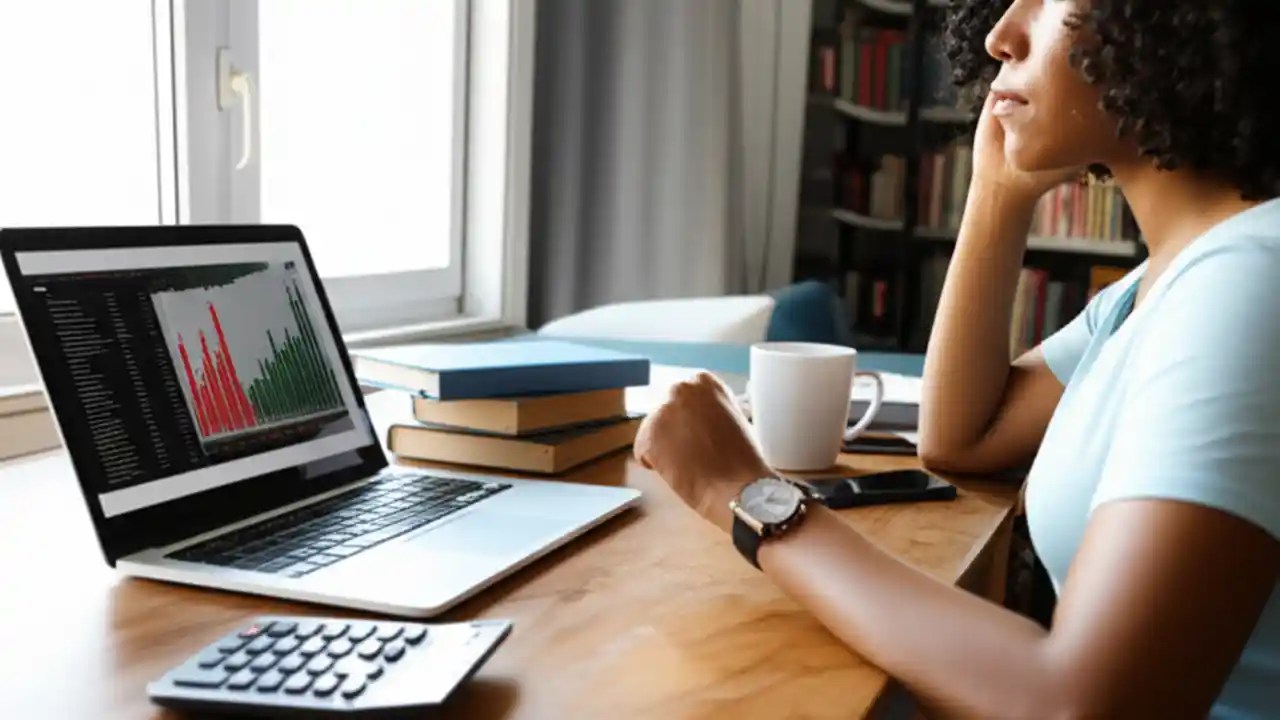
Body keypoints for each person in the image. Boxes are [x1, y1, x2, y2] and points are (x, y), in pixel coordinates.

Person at [634, 1, 1280, 717]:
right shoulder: (1165, 282)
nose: (1001, 36)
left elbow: (1081, 703)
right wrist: (997, 192)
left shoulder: (1250, 280)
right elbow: (963, 434)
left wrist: (747, 495)